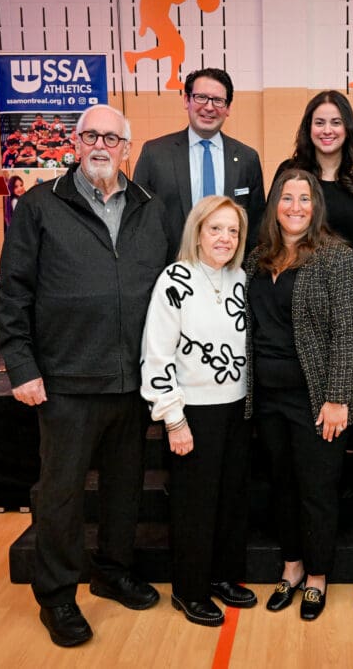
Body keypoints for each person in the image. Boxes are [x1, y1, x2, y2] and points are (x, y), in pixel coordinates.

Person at [0, 104, 168, 648]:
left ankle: (114, 572)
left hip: (133, 380)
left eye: (111, 138)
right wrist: (21, 365)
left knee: (124, 489)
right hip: (66, 379)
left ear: (126, 148)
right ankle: (58, 596)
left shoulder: (148, 207)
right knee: (63, 495)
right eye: (90, 135)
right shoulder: (41, 205)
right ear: (74, 142)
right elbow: (13, 290)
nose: (101, 145)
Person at [245, 169, 353, 622]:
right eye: (287, 198)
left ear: (316, 206)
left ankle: (318, 576)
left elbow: (351, 334)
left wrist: (338, 397)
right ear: (274, 205)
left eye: (305, 199)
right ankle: (292, 567)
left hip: (317, 400)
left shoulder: (337, 258)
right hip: (267, 399)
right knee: (282, 485)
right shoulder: (257, 258)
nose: (295, 207)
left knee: (317, 490)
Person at [140, 195, 254, 627]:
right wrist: (174, 418)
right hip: (194, 413)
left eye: (233, 231)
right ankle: (189, 590)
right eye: (216, 229)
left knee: (229, 501)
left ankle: (223, 578)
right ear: (198, 232)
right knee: (195, 505)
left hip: (237, 409)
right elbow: (157, 354)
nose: (225, 238)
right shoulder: (176, 279)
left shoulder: (240, 278)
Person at [133, 67, 266, 260]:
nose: (209, 107)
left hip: (230, 274)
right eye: (201, 97)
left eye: (218, 100)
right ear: (186, 100)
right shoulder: (155, 154)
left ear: (228, 108)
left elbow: (256, 225)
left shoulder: (247, 158)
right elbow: (139, 220)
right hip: (172, 272)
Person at [274, 90, 353, 252]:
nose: (327, 130)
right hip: (298, 273)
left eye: (336, 122)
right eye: (319, 123)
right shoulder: (289, 171)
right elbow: (271, 226)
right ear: (309, 127)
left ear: (347, 127)